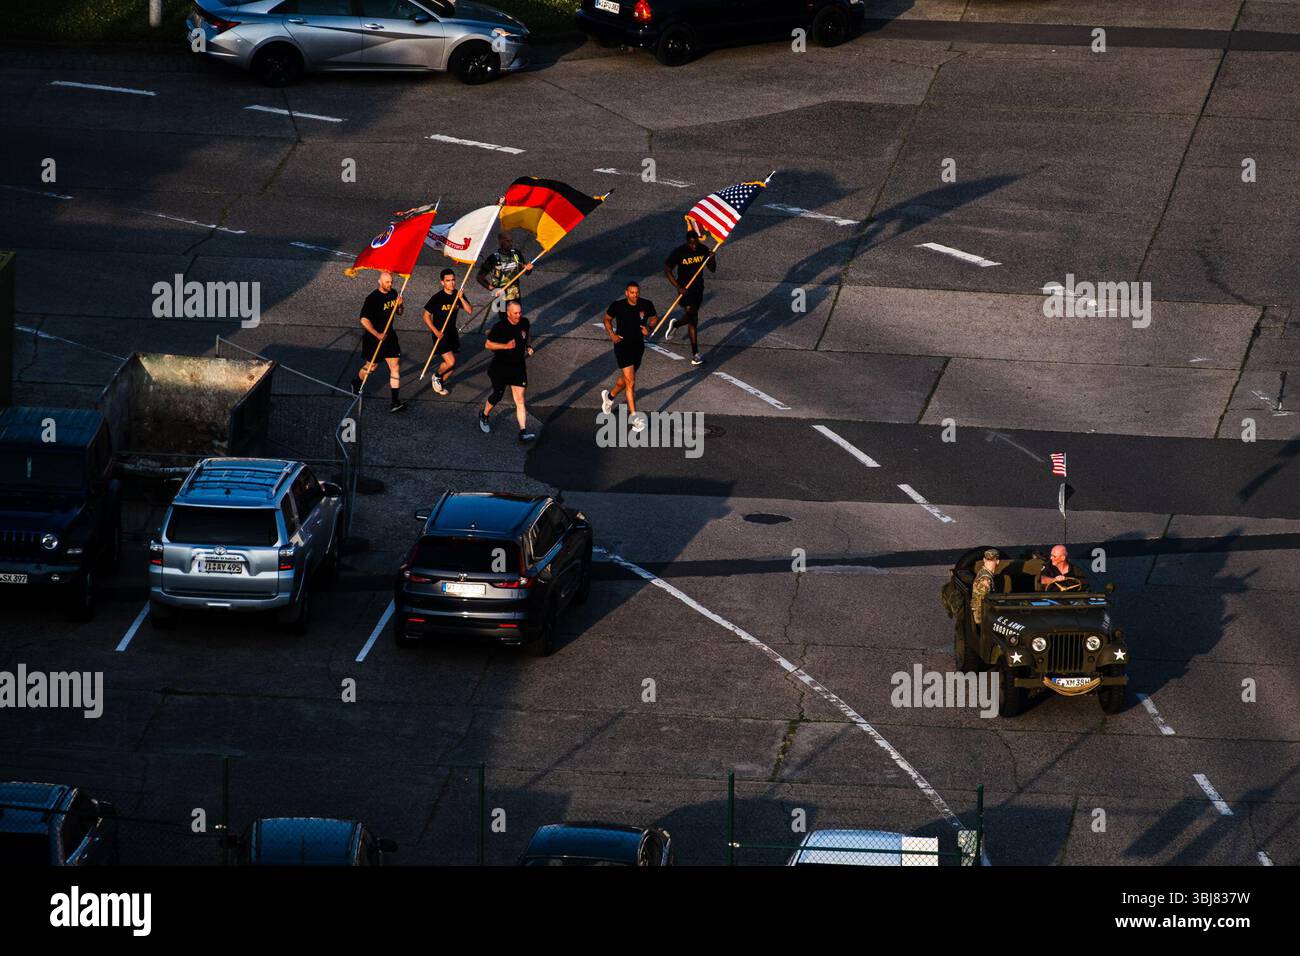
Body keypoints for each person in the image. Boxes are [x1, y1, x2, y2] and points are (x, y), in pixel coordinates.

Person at [600, 281, 657, 433]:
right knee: (631, 382)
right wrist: (612, 334)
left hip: (638, 346)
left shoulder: (646, 304)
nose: (635, 295)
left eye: (637, 292)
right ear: (626, 293)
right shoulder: (618, 306)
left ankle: (609, 397)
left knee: (625, 381)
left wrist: (649, 328)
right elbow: (606, 319)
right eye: (632, 292)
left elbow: (654, 317)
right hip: (622, 345)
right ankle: (635, 418)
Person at [350, 270, 406, 412]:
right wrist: (377, 333)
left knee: (395, 367)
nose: (390, 284)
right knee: (371, 367)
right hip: (374, 338)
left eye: (391, 282)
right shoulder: (372, 298)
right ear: (379, 282)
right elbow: (364, 319)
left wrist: (400, 304)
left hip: (390, 336)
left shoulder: (393, 293)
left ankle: (395, 402)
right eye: (387, 282)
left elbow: (399, 313)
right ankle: (356, 383)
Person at [480, 300, 536, 442]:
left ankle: (523, 431)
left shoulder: (524, 322)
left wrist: (528, 345)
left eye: (520, 312)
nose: (518, 315)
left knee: (520, 399)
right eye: (515, 313)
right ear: (508, 314)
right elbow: (488, 344)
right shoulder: (500, 327)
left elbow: (526, 334)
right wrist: (506, 346)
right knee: (498, 395)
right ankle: (485, 414)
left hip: (518, 367)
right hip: (500, 367)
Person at [662, 227, 715, 365]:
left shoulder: (703, 249)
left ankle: (676, 324)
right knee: (693, 316)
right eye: (691, 243)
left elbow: (713, 269)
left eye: (695, 243)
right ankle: (695, 354)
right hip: (685, 289)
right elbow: (667, 269)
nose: (693, 246)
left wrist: (712, 258)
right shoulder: (679, 252)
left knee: (693, 316)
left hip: (698, 288)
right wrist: (678, 287)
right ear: (687, 242)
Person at [422, 268, 471, 396]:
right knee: (450, 362)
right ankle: (436, 376)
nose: (452, 283)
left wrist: (461, 298)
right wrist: (435, 331)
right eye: (448, 281)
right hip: (440, 333)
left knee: (452, 367)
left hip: (452, 332)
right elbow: (426, 316)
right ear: (442, 283)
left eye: (453, 280)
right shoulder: (437, 298)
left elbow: (469, 310)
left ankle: (440, 383)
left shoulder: (458, 294)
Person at [477, 232, 532, 311]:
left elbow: (526, 272)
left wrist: (528, 269)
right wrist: (492, 289)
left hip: (515, 295)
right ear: (500, 242)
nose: (510, 243)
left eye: (511, 241)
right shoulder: (493, 258)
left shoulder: (516, 254)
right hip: (500, 296)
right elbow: (479, 277)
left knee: (515, 317)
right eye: (507, 241)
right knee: (504, 319)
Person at [970, 549, 1003, 624]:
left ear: (984, 560)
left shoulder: (982, 572)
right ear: (997, 561)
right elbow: (982, 602)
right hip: (981, 618)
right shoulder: (986, 579)